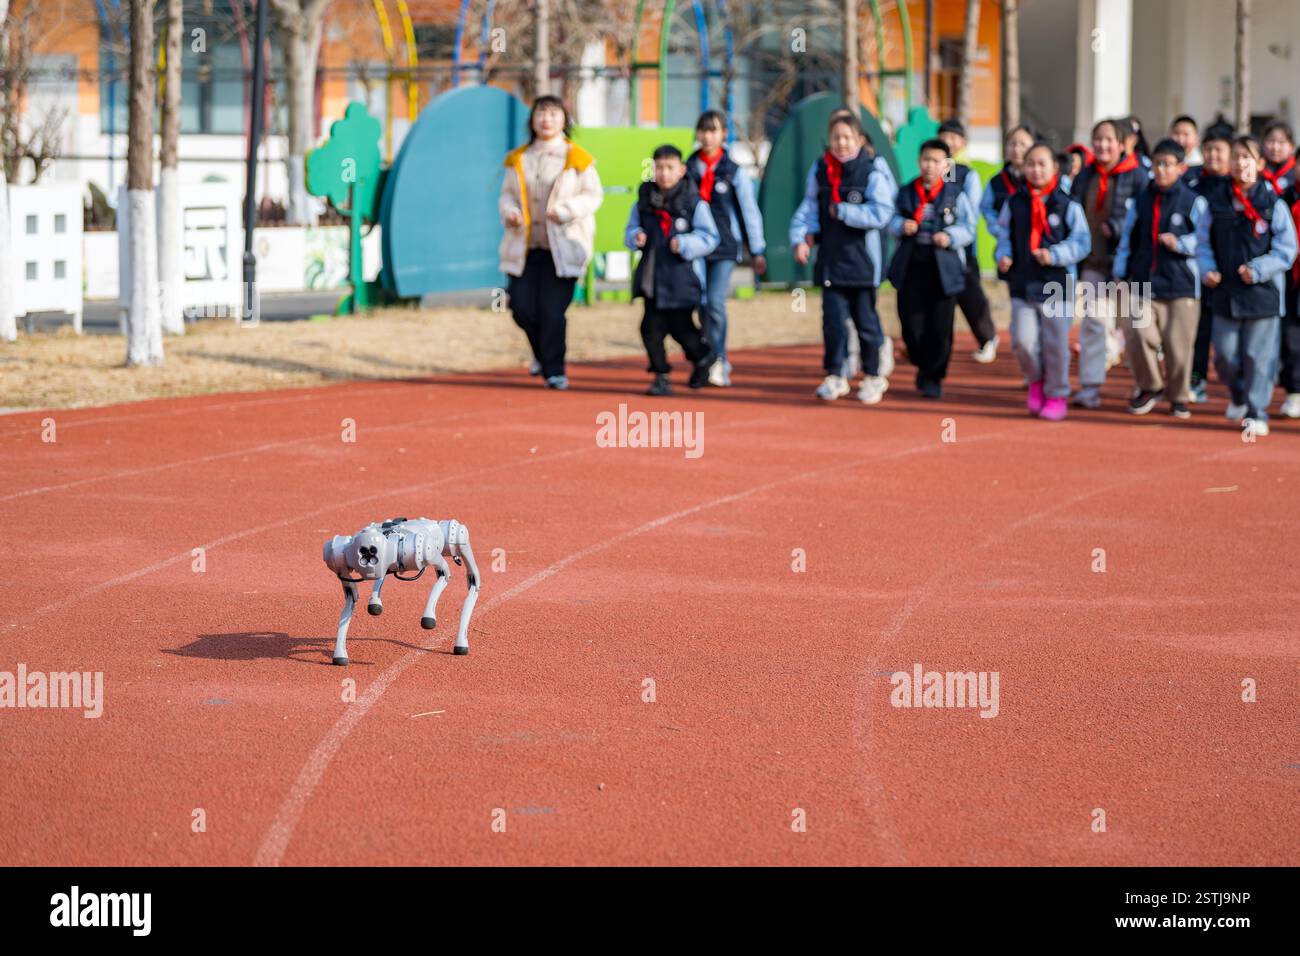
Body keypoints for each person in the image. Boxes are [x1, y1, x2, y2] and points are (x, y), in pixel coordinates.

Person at [1195, 136, 1299, 437]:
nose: (1242, 164)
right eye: (1237, 157)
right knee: (1224, 357)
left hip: (1261, 294)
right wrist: (1207, 269)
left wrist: (1258, 270)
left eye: (1249, 158)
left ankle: (1256, 410)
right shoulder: (1215, 205)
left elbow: (1286, 249)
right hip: (1224, 291)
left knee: (1258, 356)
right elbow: (1202, 243)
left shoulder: (1273, 204)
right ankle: (1238, 393)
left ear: (1260, 164)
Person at [498, 95, 604, 391]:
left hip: (563, 248)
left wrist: (566, 211)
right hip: (525, 247)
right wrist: (510, 212)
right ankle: (542, 355)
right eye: (541, 113)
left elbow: (593, 195)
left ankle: (554, 369)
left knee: (552, 312)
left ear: (564, 120)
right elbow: (506, 194)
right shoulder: (517, 158)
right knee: (521, 308)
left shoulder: (577, 158)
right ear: (532, 119)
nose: (546, 119)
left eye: (553, 113)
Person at [789, 111, 895, 404]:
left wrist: (846, 212)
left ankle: (873, 375)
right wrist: (801, 237)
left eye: (847, 137)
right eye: (836, 137)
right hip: (831, 260)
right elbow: (810, 206)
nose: (841, 142)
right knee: (833, 321)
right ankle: (836, 374)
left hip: (863, 261)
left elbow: (883, 211)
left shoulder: (871, 170)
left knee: (866, 321)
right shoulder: (821, 169)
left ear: (859, 140)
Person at [1112, 139, 1209, 419]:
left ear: (1181, 168)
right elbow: (1128, 238)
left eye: (1167, 165)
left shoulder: (1193, 201)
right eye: (1157, 164)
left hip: (1181, 285)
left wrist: (1179, 243)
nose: (1161, 170)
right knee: (1138, 333)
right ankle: (1150, 386)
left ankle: (1179, 396)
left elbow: (1204, 241)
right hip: (1144, 282)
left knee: (1178, 346)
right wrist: (1120, 272)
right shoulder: (1142, 200)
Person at [995, 143, 1092, 421]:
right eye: (1031, 164)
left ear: (1054, 168)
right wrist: (1004, 255)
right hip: (1023, 283)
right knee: (1023, 342)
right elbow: (1003, 234)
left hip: (1056, 285)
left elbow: (1082, 242)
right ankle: (1035, 380)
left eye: (1042, 164)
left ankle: (1057, 392)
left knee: (1055, 343)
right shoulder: (1014, 202)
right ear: (1023, 167)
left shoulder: (1067, 203)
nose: (1036, 170)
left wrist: (1055, 255)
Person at [625, 144, 720, 396]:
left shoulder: (693, 202)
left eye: (670, 168)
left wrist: (687, 243)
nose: (664, 173)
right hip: (652, 277)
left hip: (682, 278)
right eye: (659, 168)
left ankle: (702, 357)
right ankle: (661, 374)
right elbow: (630, 228)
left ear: (681, 170)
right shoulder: (645, 200)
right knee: (650, 329)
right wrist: (636, 237)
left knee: (683, 329)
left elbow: (711, 237)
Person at [887, 138, 978, 398]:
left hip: (943, 269)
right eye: (926, 159)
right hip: (912, 266)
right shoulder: (906, 192)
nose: (929, 165)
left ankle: (933, 376)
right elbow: (890, 219)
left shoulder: (954, 195)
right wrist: (900, 226)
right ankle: (919, 360)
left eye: (936, 161)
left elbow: (968, 228)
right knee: (911, 325)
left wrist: (950, 237)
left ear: (946, 165)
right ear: (919, 161)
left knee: (940, 326)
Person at [1070, 118, 1149, 408]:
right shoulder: (1084, 177)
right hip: (1093, 262)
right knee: (1093, 322)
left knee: (1134, 328)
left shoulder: (1138, 177)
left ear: (1122, 144)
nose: (1103, 145)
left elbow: (1145, 219)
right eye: (1098, 139)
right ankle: (1090, 387)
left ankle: (1143, 386)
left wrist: (1116, 228)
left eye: (1109, 140)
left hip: (1127, 267)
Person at [685, 110, 767, 388]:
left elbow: (748, 210)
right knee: (700, 303)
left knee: (715, 303)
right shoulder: (687, 168)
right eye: (703, 130)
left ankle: (720, 359)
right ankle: (704, 358)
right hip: (695, 246)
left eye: (714, 130)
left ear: (723, 135)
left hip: (724, 247)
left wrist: (756, 249)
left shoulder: (733, 171)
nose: (708, 136)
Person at [937, 119, 998, 363]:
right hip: (936, 246)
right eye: (944, 137)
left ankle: (987, 338)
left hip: (961, 248)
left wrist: (956, 233)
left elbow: (971, 211)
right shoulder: (936, 166)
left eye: (954, 138)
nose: (949, 142)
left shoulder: (964, 172)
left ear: (963, 142)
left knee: (970, 296)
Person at [1188, 124, 1235, 403]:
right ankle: (1197, 378)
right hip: (1200, 268)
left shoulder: (1237, 184)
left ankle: (1239, 387)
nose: (1212, 155)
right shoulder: (1192, 181)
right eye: (1207, 150)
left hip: (1231, 269)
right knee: (1200, 327)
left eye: (1218, 150)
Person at [1260, 122, 1297, 195]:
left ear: (1292, 147)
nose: (1275, 147)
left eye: (1281, 142)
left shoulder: (1296, 171)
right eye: (1271, 141)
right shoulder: (1256, 171)